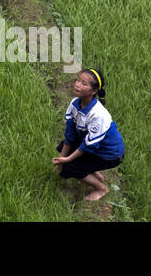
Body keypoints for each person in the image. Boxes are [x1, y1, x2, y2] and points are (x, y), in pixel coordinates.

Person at [53, 68, 125, 202]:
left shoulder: (98, 115)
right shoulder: (75, 104)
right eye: (78, 80)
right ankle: (95, 173)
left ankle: (101, 188)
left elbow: (88, 146)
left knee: (72, 168)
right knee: (63, 147)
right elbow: (70, 134)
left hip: (110, 154)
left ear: (94, 91)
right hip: (94, 146)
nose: (77, 84)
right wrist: (61, 158)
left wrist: (67, 161)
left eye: (83, 83)